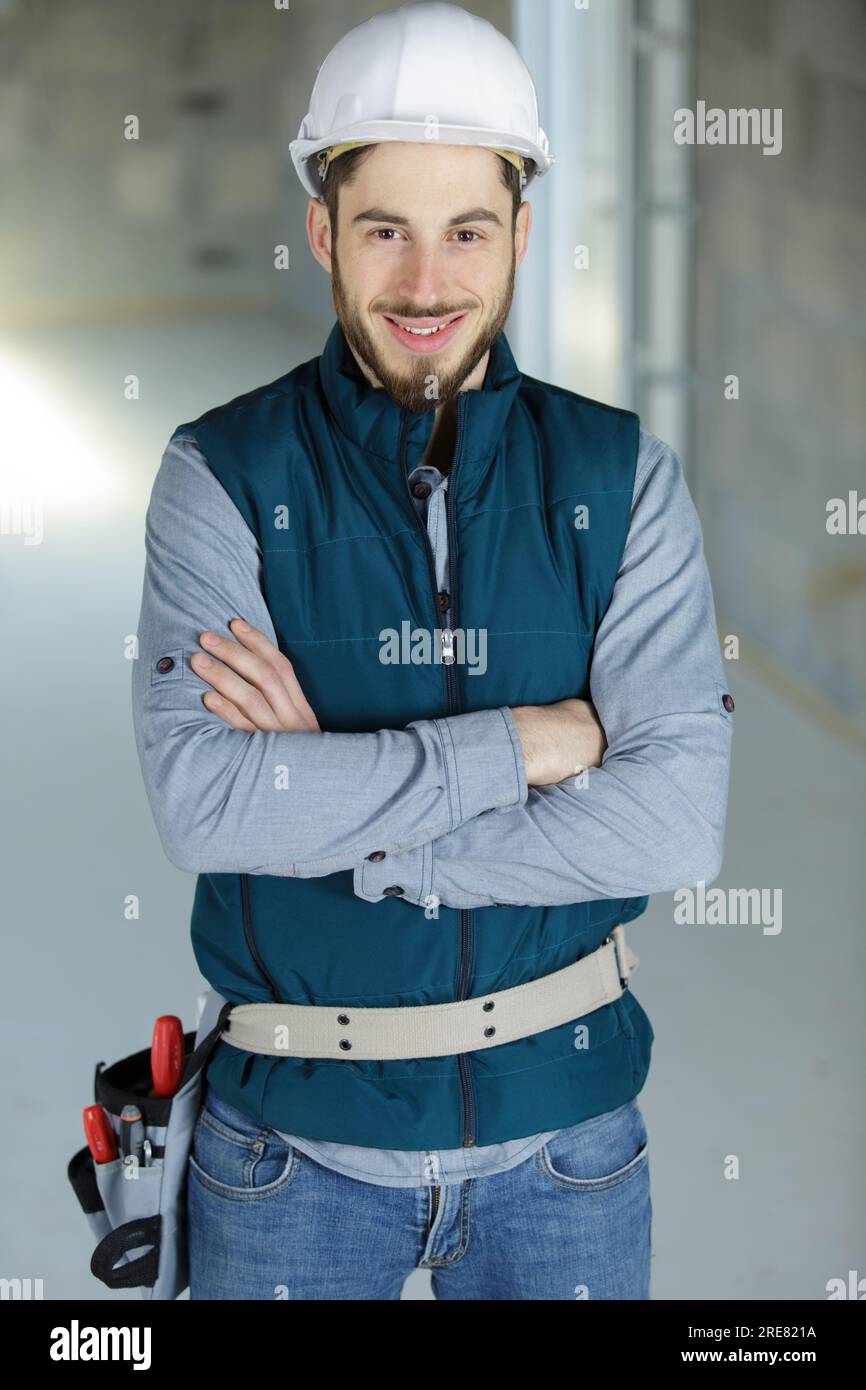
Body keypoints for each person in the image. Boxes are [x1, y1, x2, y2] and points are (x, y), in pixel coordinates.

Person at [132, 1, 732, 1300]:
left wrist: (339, 807)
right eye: (383, 231)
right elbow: (206, 803)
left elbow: (674, 828)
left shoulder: (620, 475)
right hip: (286, 1155)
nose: (423, 283)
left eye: (465, 230)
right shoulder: (219, 474)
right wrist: (534, 742)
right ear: (321, 234)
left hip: (566, 1142)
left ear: (519, 232)